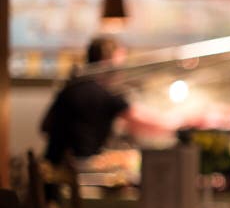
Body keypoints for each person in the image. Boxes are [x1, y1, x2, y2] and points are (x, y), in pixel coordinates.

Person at [41, 37, 169, 165]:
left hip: (56, 164)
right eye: (119, 64)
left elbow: (44, 126)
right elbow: (141, 120)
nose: (121, 70)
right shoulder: (100, 93)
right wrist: (174, 122)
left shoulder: (73, 85)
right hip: (74, 169)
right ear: (106, 62)